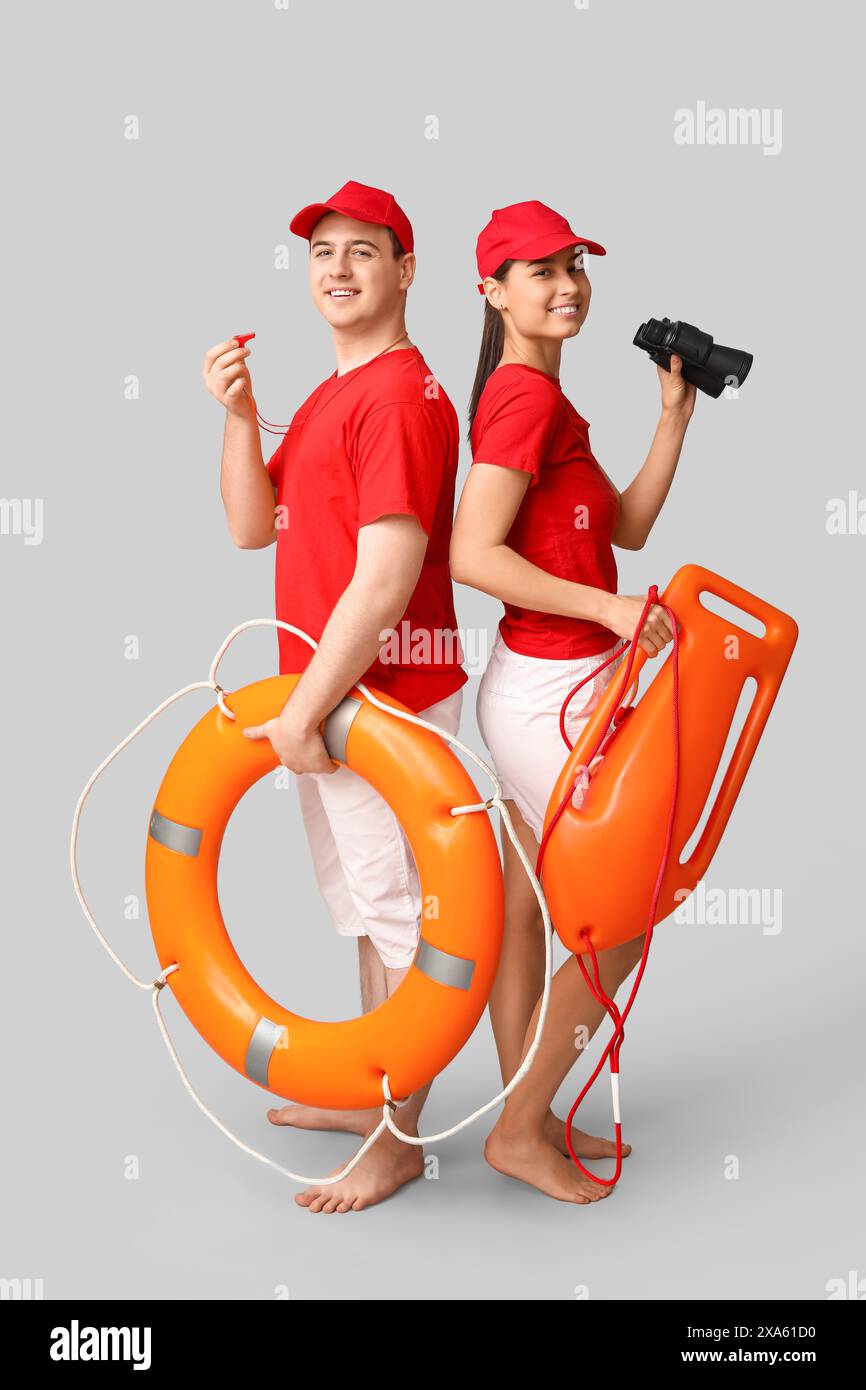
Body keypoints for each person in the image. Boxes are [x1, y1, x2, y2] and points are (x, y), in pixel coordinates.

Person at [203, 180, 467, 1213]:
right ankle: (373, 1099)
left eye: (364, 250)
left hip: (381, 693)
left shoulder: (397, 395)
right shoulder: (332, 392)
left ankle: (399, 1138)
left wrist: (308, 709)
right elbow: (247, 524)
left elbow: (388, 576)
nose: (339, 268)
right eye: (322, 253)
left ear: (406, 271)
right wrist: (234, 415)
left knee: (398, 915)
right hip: (341, 690)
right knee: (365, 908)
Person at [450, 200, 696, 1204]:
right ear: (492, 291)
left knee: (520, 908)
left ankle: (528, 1105)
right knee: (622, 911)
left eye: (574, 268)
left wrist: (671, 419)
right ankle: (516, 1129)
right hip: (549, 691)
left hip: (548, 681)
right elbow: (473, 554)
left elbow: (625, 528)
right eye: (538, 271)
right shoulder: (520, 403)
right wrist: (602, 608)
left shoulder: (549, 402)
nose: (565, 285)